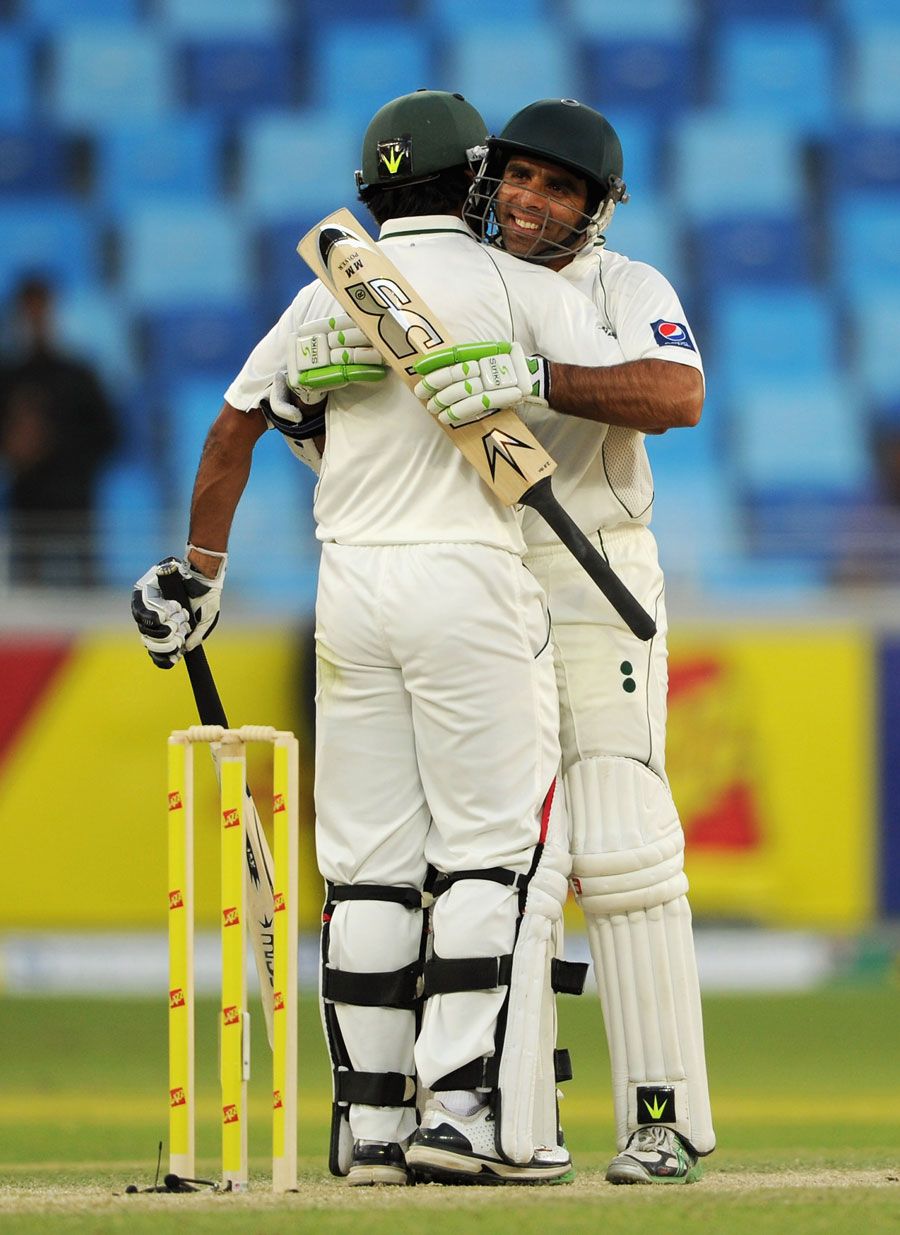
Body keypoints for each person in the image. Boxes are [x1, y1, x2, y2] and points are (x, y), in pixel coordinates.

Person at [131, 89, 629, 1187]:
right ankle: (457, 1113)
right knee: (487, 853)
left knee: (365, 870)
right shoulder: (514, 281)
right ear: (475, 182)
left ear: (371, 189)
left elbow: (230, 431)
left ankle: (368, 1127)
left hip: (347, 586)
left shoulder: (322, 297)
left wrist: (198, 572)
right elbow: (652, 390)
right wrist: (535, 368)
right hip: (467, 579)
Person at [413, 98, 714, 1184]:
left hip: (596, 573)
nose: (533, 202)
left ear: (595, 208)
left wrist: (536, 377)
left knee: (624, 842)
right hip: (478, 576)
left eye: (560, 188)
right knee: (493, 858)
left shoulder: (627, 287)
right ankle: (502, 1117)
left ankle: (664, 1116)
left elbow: (677, 395)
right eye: (521, 180)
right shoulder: (448, 278)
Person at [0, 275, 118, 586]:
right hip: (26, 506)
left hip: (74, 502)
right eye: (28, 313)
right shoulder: (8, 377)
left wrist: (49, 443)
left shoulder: (79, 375)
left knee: (85, 589)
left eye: (41, 311)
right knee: (26, 596)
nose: (35, 320)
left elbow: (110, 436)